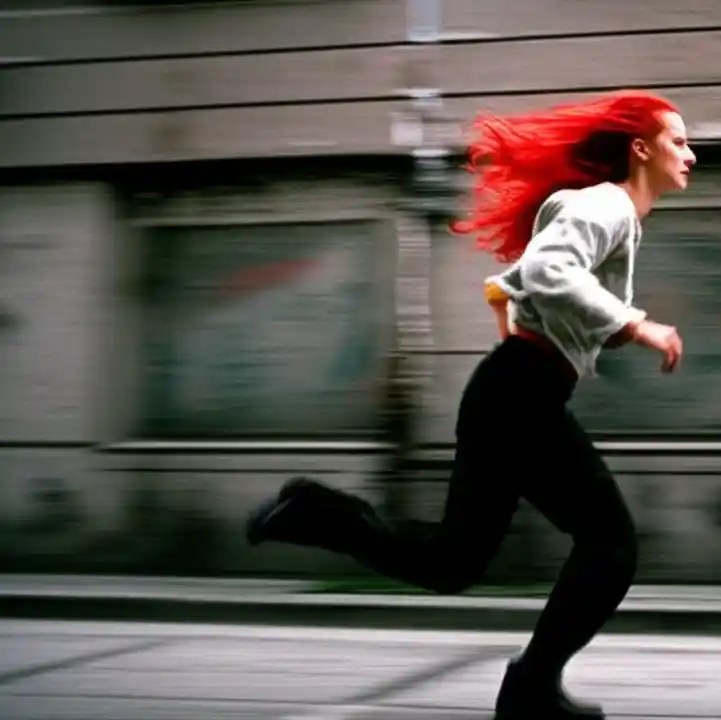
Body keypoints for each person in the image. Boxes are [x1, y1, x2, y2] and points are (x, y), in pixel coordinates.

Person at [245, 89, 696, 720]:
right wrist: (636, 326)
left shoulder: (606, 211)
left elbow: (510, 283)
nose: (691, 154)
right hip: (520, 396)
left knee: (452, 563)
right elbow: (549, 273)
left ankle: (316, 513)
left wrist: (517, 330)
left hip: (513, 391)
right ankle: (531, 689)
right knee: (611, 545)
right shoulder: (609, 205)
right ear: (641, 149)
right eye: (679, 140)